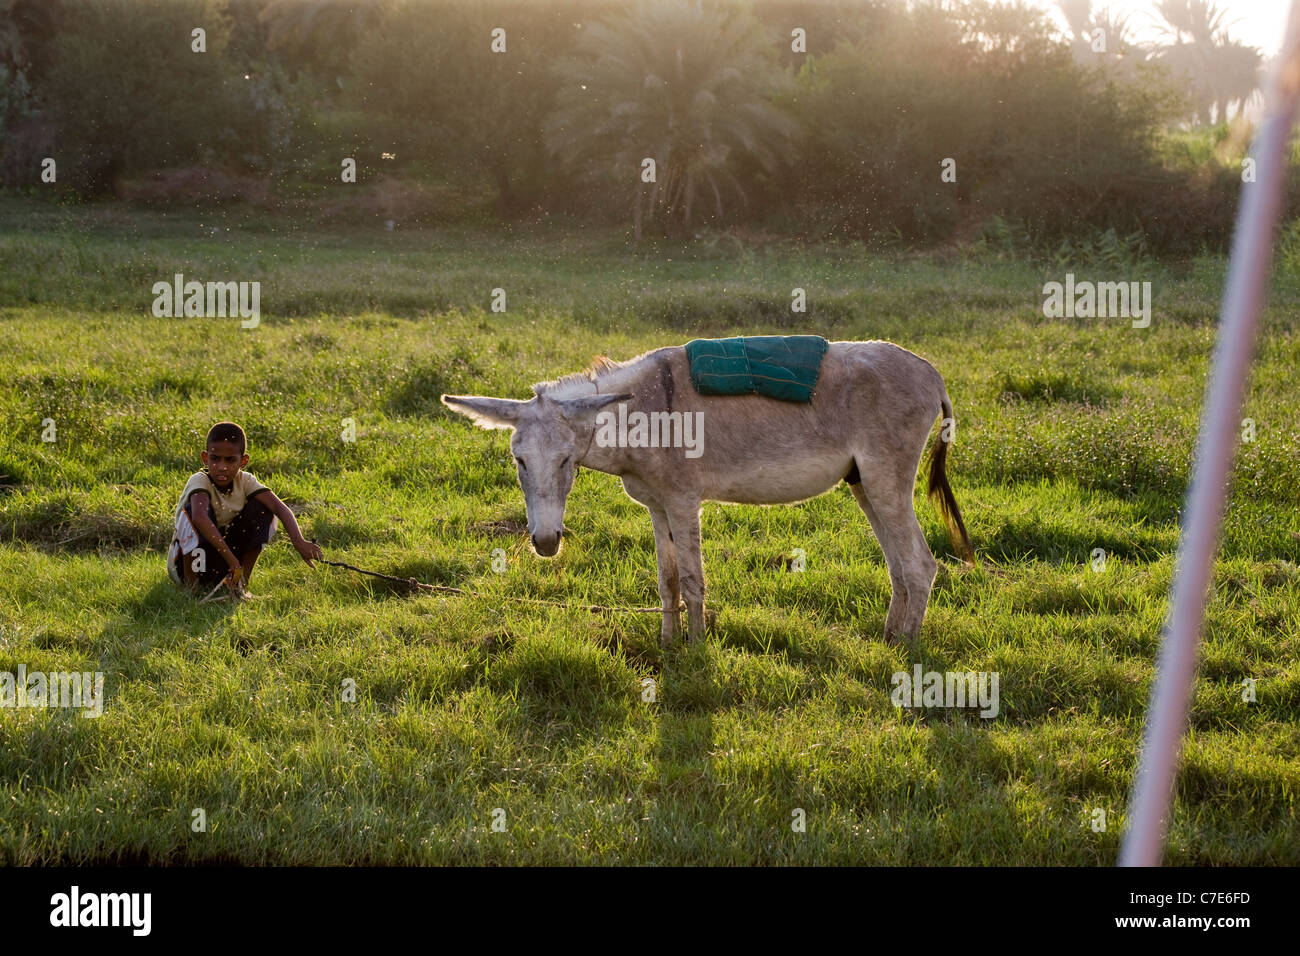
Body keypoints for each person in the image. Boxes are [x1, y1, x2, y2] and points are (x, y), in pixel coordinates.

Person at [168, 421, 322, 599]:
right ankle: (191, 590)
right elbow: (200, 518)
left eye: (230, 460)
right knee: (194, 514)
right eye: (215, 458)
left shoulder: (245, 481)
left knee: (262, 510)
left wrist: (299, 543)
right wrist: (232, 561)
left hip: (226, 566)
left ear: (243, 461)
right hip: (193, 564)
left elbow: (279, 507)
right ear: (205, 458)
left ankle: (240, 586)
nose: (222, 466)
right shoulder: (199, 480)